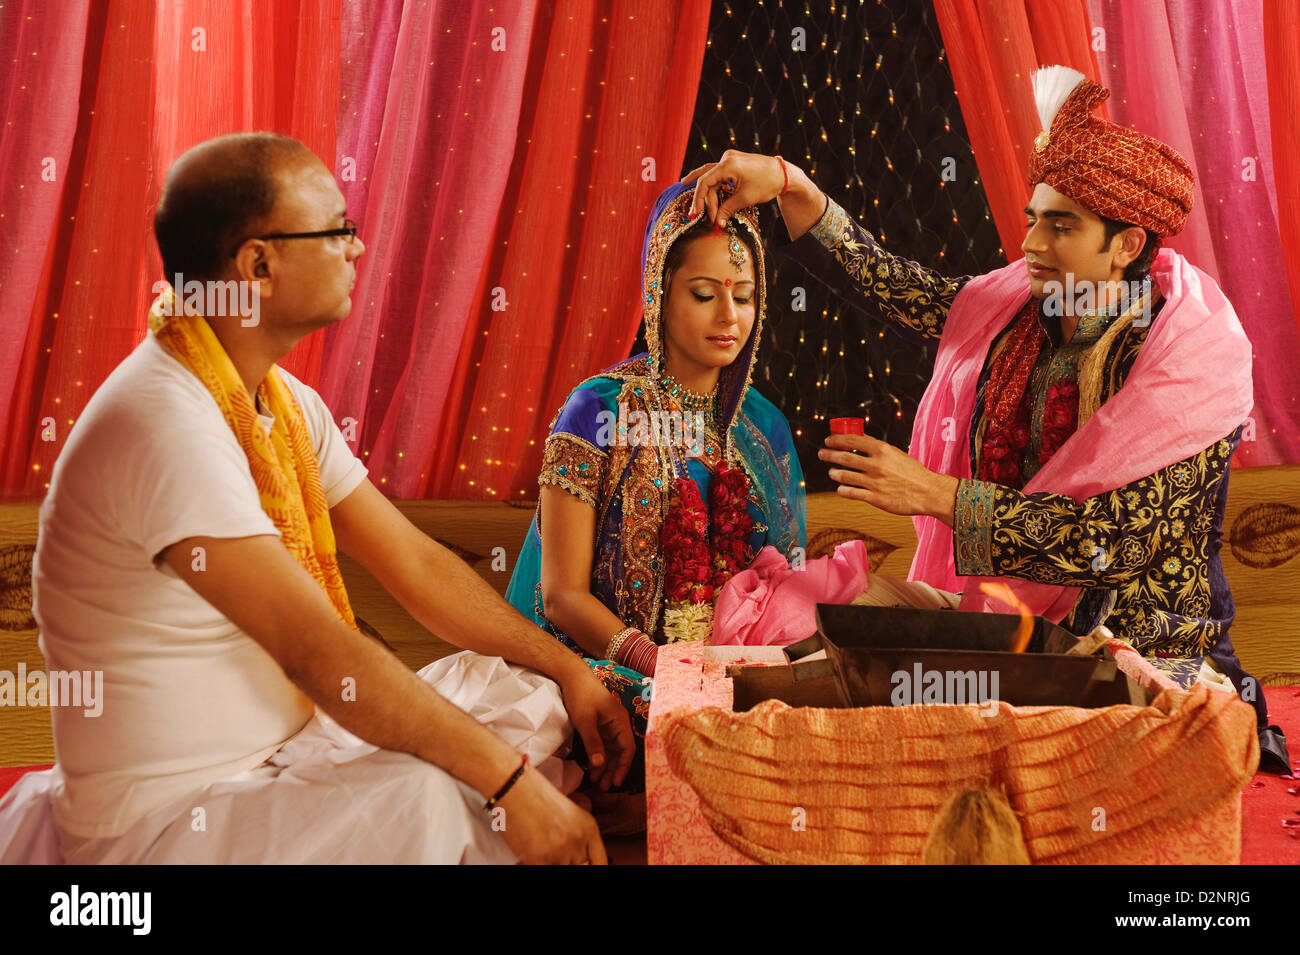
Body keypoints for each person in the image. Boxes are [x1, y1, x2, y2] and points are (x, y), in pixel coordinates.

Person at [0, 132, 635, 865]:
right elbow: (318, 650)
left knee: (520, 691)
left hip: (288, 755)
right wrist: (512, 785)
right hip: (171, 818)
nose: (357, 249)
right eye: (338, 230)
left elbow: (418, 566)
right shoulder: (162, 422)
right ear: (258, 265)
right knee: (433, 796)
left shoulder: (281, 403)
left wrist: (571, 669)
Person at [681, 66, 1288, 770]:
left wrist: (936, 495)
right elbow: (899, 288)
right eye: (1033, 219)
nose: (1031, 244)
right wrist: (792, 183)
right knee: (796, 607)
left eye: (1062, 226)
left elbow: (1113, 543)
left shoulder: (1188, 362)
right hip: (1011, 625)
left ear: (1125, 246)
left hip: (1137, 655)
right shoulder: (1014, 315)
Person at [506, 181, 806, 787]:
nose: (730, 317)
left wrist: (729, 671)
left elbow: (783, 584)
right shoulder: (598, 409)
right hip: (599, 671)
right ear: (658, 295)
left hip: (724, 679)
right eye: (703, 294)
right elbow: (562, 595)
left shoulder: (763, 428)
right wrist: (660, 665)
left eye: (745, 297)